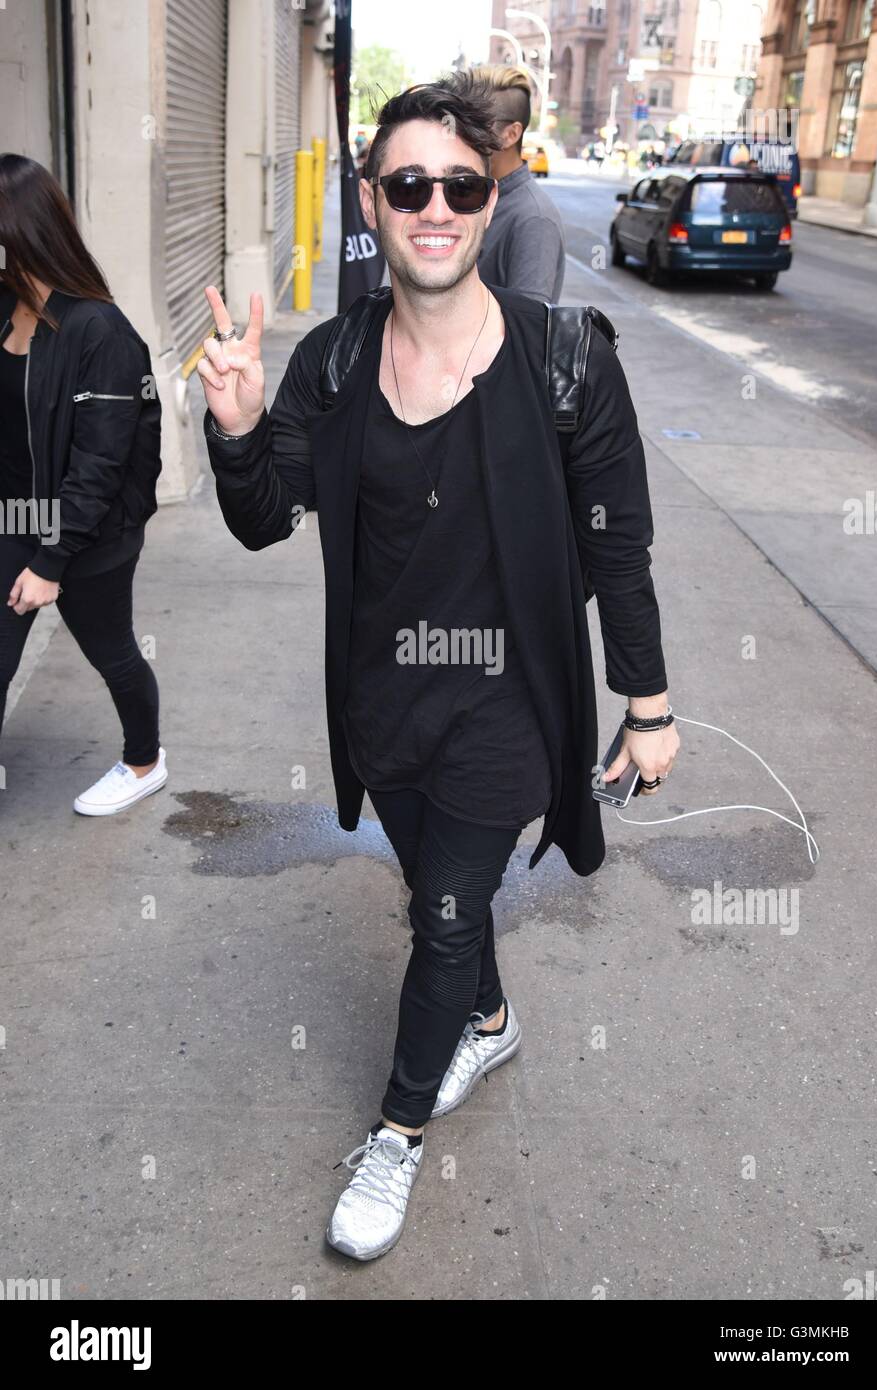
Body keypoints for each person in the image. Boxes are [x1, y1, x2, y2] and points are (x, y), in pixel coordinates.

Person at [199, 82, 678, 1261]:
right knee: (442, 899)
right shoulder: (333, 358)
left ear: (489, 197)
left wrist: (648, 703)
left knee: (441, 914)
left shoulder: (565, 359)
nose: (432, 207)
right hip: (382, 700)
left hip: (509, 705)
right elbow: (266, 520)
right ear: (373, 200)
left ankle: (398, 1132)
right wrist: (237, 425)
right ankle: (494, 1019)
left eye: (457, 186)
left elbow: (618, 541)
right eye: (406, 184)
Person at [0, 155, 165, 814]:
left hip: (87, 532)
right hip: (12, 516)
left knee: (113, 651)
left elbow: (100, 464)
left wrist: (51, 561)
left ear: (23, 235)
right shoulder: (6, 306)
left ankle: (144, 760)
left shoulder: (100, 332)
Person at [443, 65, 566, 303]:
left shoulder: (534, 219)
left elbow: (529, 328)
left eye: (476, 126)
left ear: (511, 134)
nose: (462, 135)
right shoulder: (470, 193)